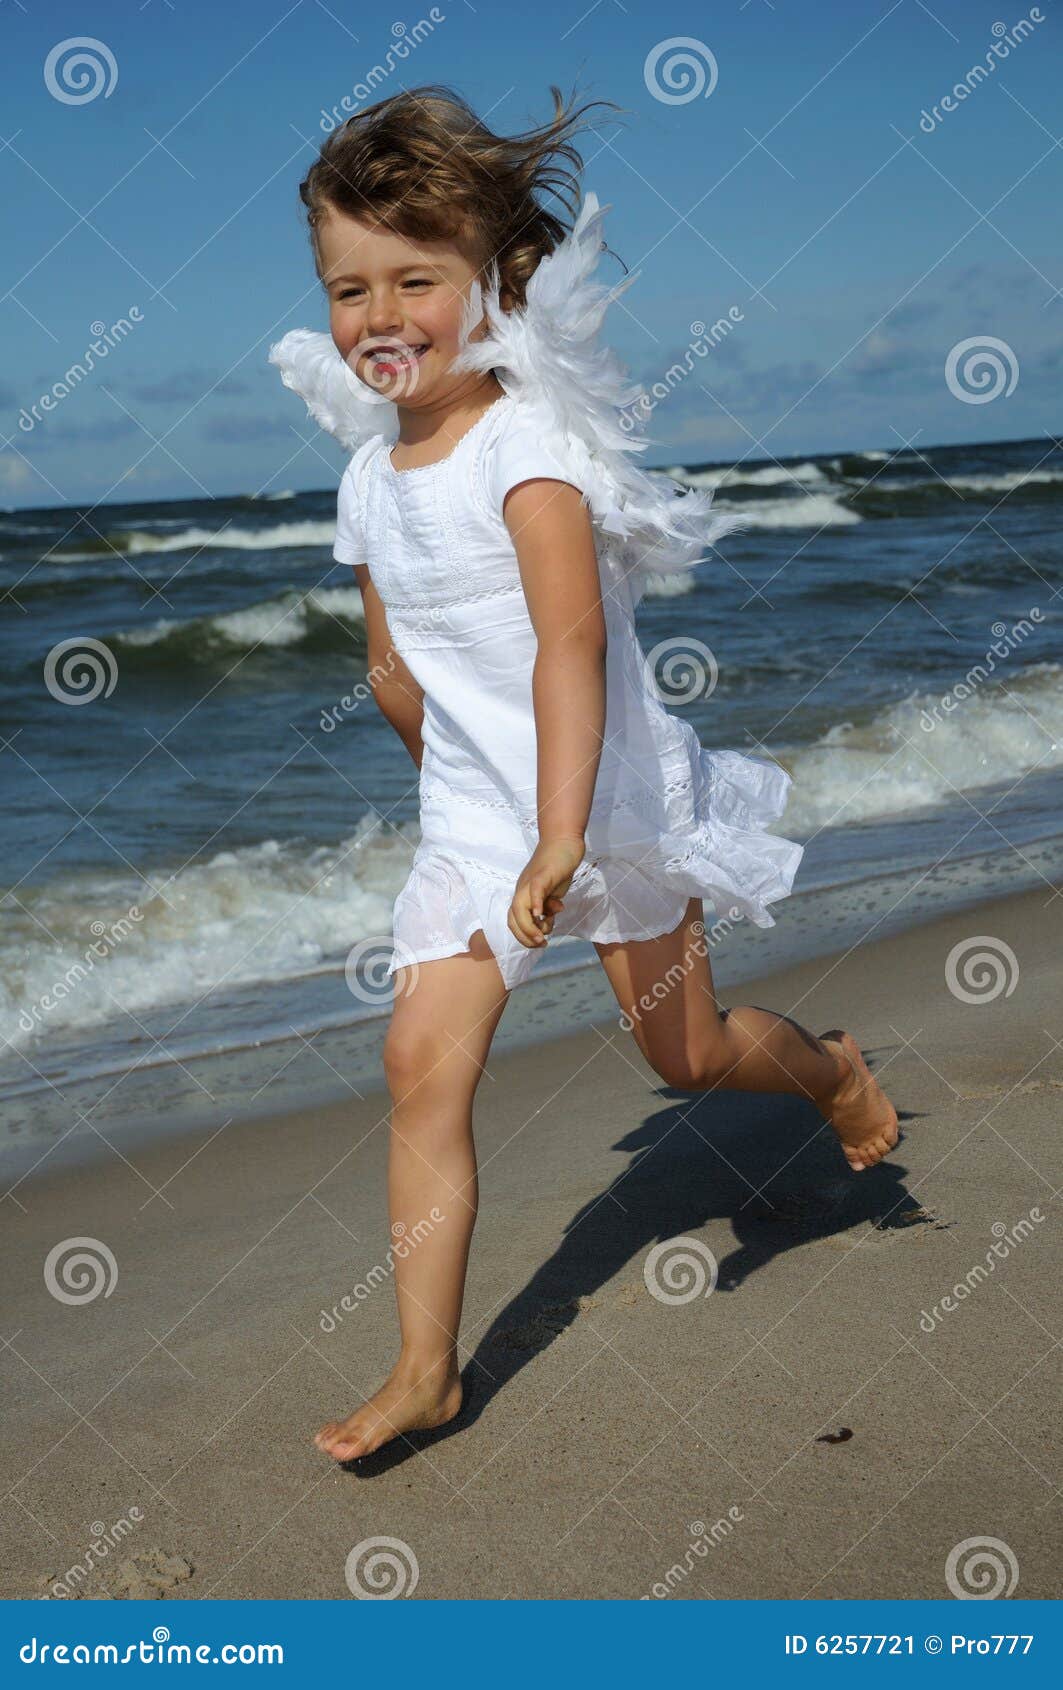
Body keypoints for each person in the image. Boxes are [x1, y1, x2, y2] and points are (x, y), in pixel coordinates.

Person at [270, 84, 898, 1465]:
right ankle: (428, 1367)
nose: (380, 317)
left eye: (415, 281)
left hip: (600, 798)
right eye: (348, 287)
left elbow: (567, 647)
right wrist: (464, 800)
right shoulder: (368, 480)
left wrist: (560, 832)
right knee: (419, 1068)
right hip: (481, 816)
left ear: (495, 284)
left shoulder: (529, 452)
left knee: (688, 1051)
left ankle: (838, 1076)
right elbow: (390, 662)